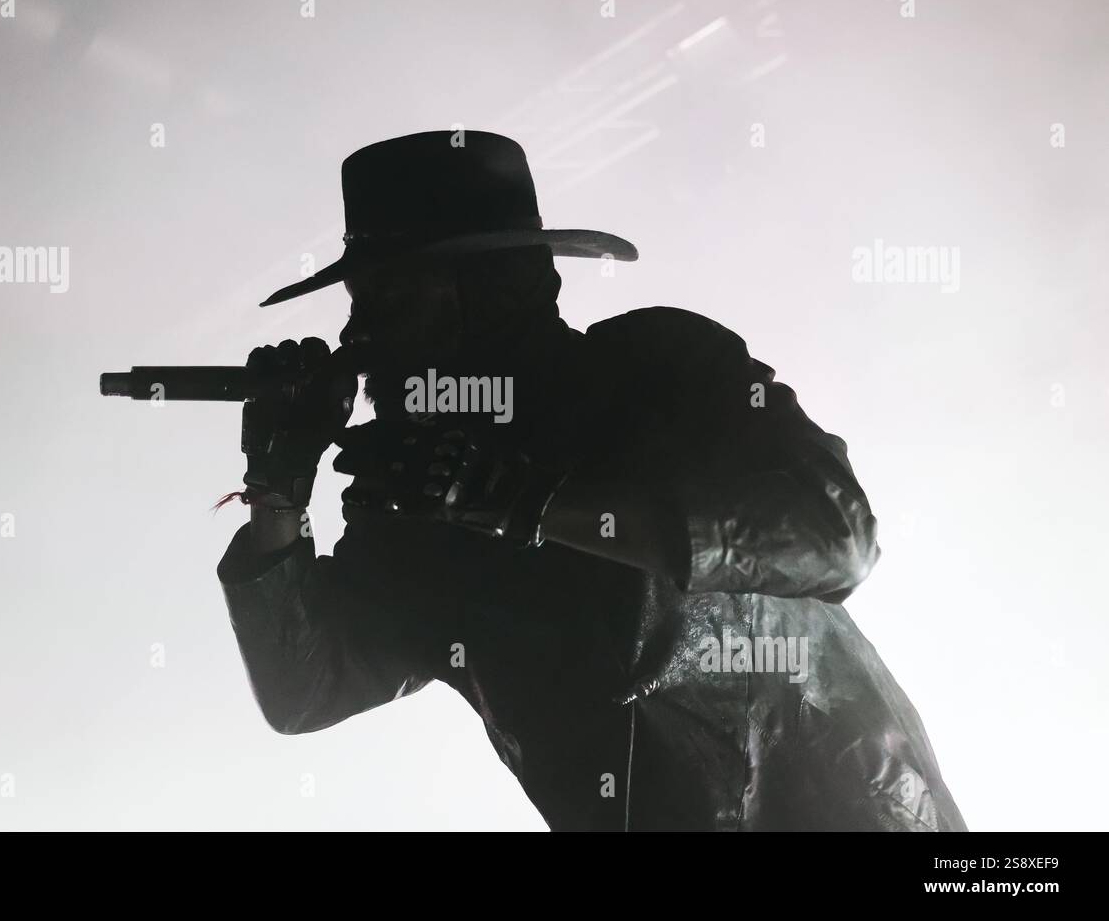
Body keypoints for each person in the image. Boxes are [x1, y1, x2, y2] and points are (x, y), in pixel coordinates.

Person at [217, 130, 966, 831]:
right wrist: (278, 488)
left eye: (386, 297)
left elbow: (835, 539)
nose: (356, 333)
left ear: (486, 287)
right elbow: (305, 689)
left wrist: (522, 502)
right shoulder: (415, 510)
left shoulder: (654, 368)